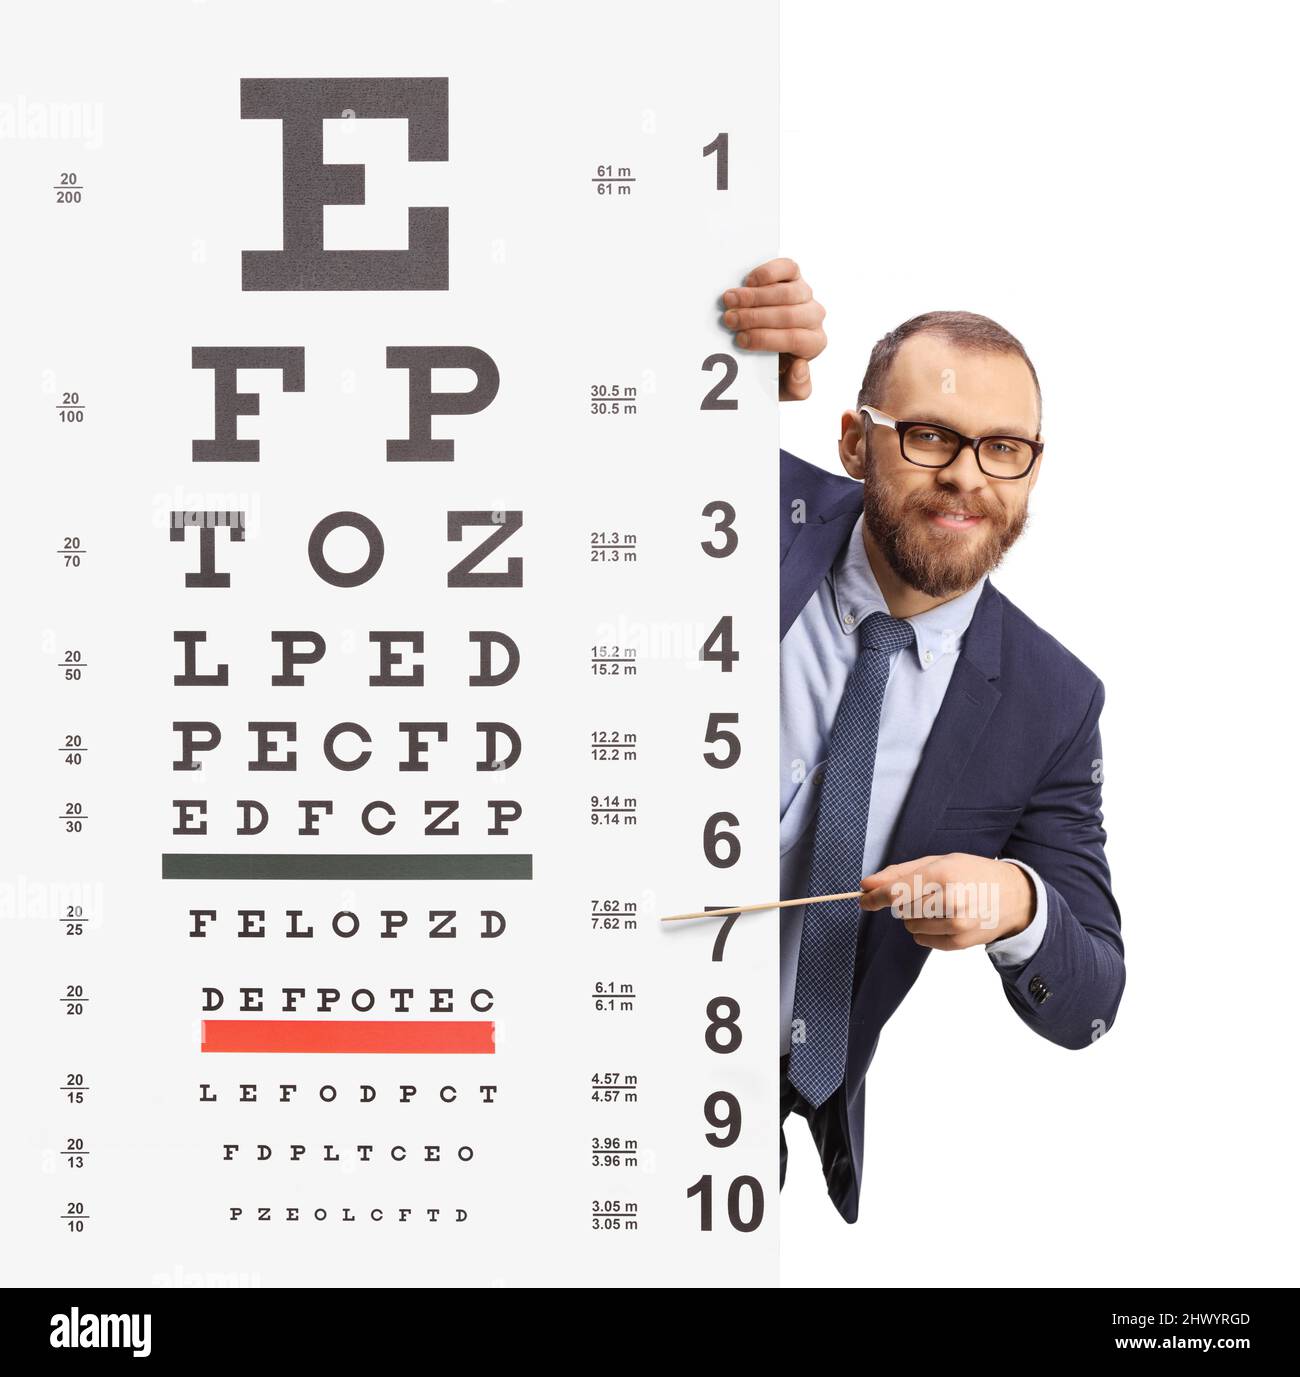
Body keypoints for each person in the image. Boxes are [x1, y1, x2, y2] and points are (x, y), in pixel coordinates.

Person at [719, 259, 1125, 1222]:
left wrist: (1018, 901)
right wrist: (704, 350)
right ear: (856, 440)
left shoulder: (1050, 700)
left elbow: (1093, 994)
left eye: (1004, 449)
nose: (965, 478)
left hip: (733, 1132)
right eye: (932, 436)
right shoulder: (733, 507)